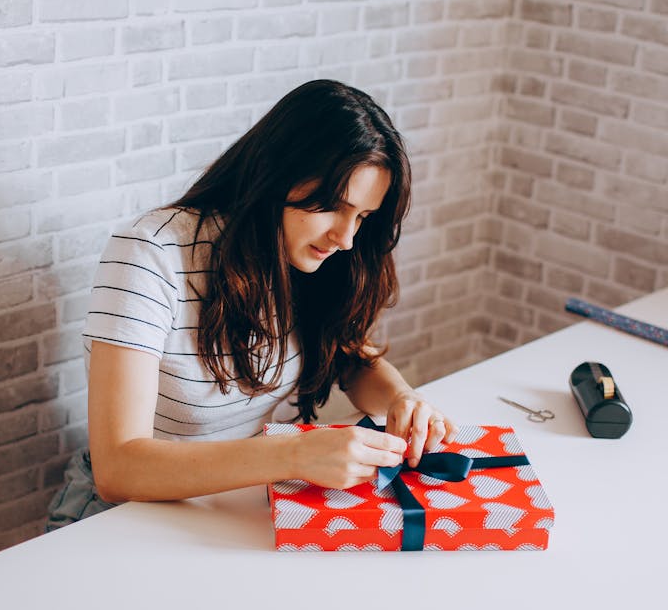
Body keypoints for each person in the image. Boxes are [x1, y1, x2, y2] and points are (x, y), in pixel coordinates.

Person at [47, 79, 456, 531]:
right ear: (276, 176)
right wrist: (294, 453)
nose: (346, 238)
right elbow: (119, 470)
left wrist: (402, 399)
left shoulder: (313, 258)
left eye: (362, 216)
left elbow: (349, 355)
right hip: (121, 519)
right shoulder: (151, 254)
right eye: (332, 207)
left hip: (234, 510)